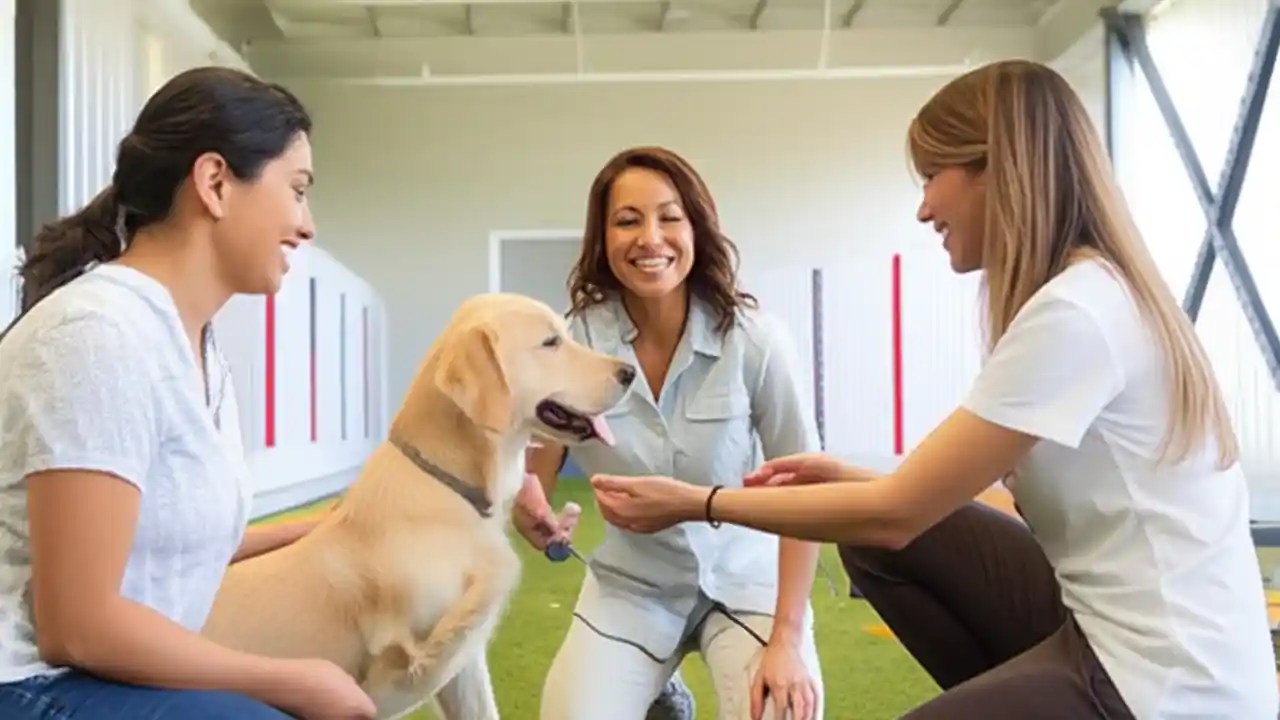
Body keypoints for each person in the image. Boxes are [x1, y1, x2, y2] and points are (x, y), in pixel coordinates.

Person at [588, 59, 1279, 719]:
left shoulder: (1077, 314)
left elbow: (897, 512)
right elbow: (930, 508)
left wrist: (700, 504)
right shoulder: (1076, 296)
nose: (923, 209)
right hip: (1102, 626)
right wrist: (852, 479)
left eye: (932, 177)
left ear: (997, 172)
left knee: (884, 534)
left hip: (1169, 682)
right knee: (879, 547)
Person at [0, 67, 377, 720]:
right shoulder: (98, 334)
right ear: (214, 183)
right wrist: (289, 680)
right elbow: (78, 626)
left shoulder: (189, 345)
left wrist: (321, 529)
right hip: (30, 685)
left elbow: (158, 540)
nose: (306, 225)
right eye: (297, 190)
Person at [516, 146, 825, 720]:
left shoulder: (755, 339)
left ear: (697, 228)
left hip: (746, 585)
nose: (649, 238)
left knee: (782, 713)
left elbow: (804, 492)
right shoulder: (571, 341)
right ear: (602, 238)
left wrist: (787, 636)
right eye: (627, 220)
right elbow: (535, 460)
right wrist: (530, 498)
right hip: (633, 587)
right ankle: (662, 700)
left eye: (669, 217)